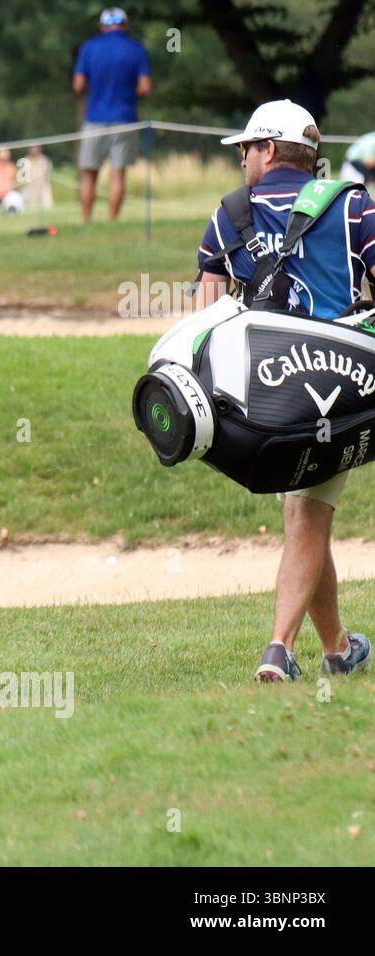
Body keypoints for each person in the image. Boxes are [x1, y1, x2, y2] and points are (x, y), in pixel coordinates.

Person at [195, 100, 375, 682]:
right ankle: (278, 650)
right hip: (337, 390)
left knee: (305, 513)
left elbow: (206, 321)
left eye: (246, 149)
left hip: (264, 397)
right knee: (307, 514)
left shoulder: (228, 215)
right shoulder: (354, 206)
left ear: (268, 150)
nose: (244, 159)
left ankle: (337, 649)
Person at [72, 7, 150, 222]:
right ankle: (112, 221)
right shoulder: (136, 49)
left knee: (88, 172)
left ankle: (86, 220)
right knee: (118, 174)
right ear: (124, 25)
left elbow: (78, 85)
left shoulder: (89, 47)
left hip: (94, 118)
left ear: (103, 26)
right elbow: (145, 87)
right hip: (125, 118)